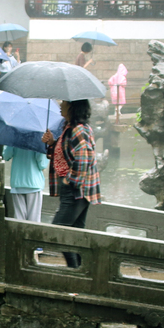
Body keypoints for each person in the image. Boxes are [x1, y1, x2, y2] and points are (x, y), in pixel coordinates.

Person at [42, 99, 99, 268]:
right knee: (74, 234)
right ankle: (80, 272)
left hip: (76, 190)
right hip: (77, 190)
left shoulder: (78, 130)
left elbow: (84, 157)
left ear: (73, 107)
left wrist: (70, 181)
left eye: (64, 102)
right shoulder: (68, 128)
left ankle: (75, 271)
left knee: (58, 232)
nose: (60, 104)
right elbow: (66, 155)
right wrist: (52, 143)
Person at [3, 144, 48, 222]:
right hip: (34, 183)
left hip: (17, 182)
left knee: (19, 219)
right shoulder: (37, 140)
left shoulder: (14, 139)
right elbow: (42, 164)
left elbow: (6, 156)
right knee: (34, 221)